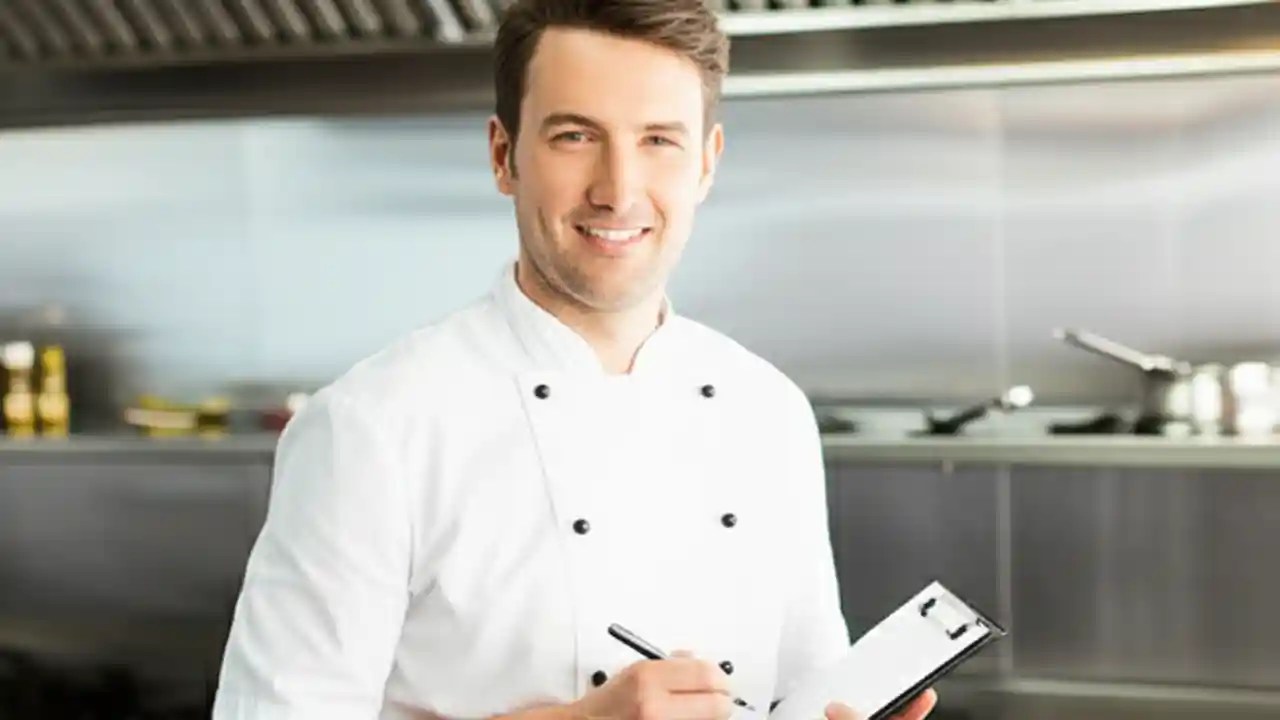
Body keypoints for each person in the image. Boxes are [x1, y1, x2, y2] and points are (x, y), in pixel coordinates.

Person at [211, 0, 938, 718]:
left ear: (707, 164)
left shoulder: (768, 410)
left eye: (659, 140)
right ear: (504, 156)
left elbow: (804, 692)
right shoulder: (373, 428)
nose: (618, 190)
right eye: (574, 136)